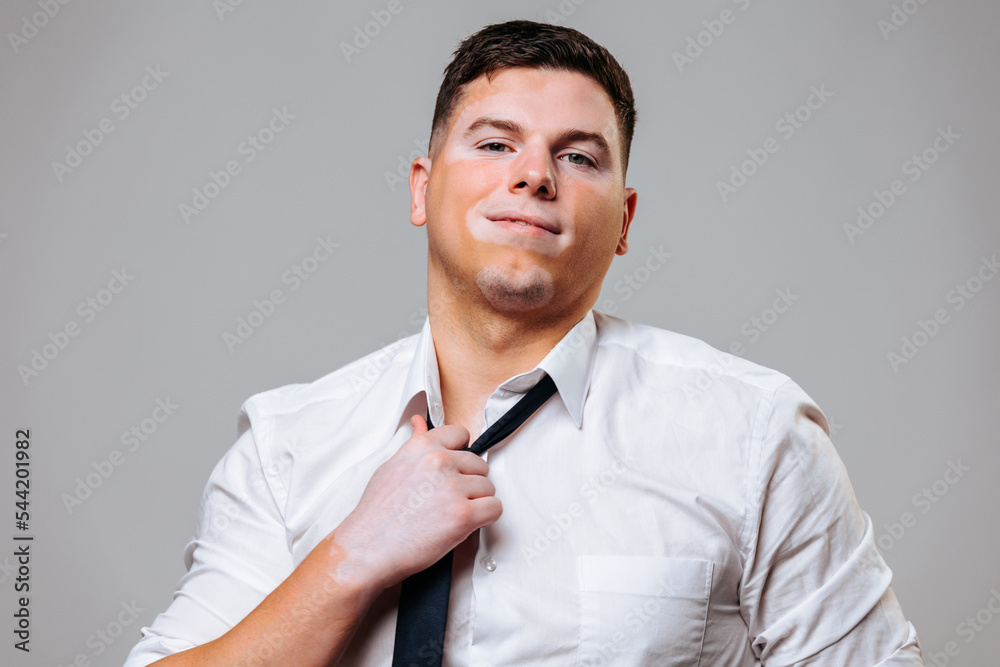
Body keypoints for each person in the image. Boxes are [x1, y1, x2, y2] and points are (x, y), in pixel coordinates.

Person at [124, 19, 925, 666]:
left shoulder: (755, 437)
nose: (535, 174)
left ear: (625, 223)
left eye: (578, 156)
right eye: (495, 142)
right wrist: (350, 557)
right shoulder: (286, 446)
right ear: (421, 186)